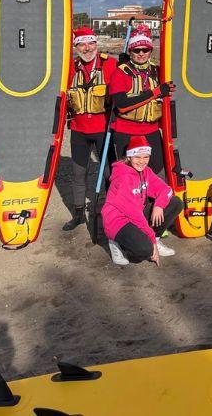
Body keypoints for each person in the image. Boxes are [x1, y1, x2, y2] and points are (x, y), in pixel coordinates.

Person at [62, 26, 119, 231]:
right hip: (78, 131)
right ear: (76, 47)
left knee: (108, 173)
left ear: (96, 44)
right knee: (78, 173)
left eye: (90, 43)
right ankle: (78, 214)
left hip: (103, 130)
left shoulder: (110, 64)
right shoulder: (70, 68)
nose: (87, 48)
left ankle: (112, 210)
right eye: (82, 44)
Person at [100, 135, 182, 266]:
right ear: (129, 157)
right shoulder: (123, 179)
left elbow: (166, 190)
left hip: (136, 213)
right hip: (118, 220)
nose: (142, 161)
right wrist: (151, 241)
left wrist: (158, 206)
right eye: (137, 157)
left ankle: (155, 238)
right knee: (145, 251)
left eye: (146, 157)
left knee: (175, 202)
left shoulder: (146, 172)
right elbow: (134, 214)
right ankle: (115, 241)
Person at [108, 27, 173, 176]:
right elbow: (122, 105)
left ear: (150, 50)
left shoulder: (157, 71)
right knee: (130, 175)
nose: (141, 53)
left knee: (158, 173)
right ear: (130, 51)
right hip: (126, 132)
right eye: (137, 50)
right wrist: (155, 92)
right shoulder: (120, 73)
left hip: (152, 131)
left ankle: (155, 199)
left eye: (145, 49)